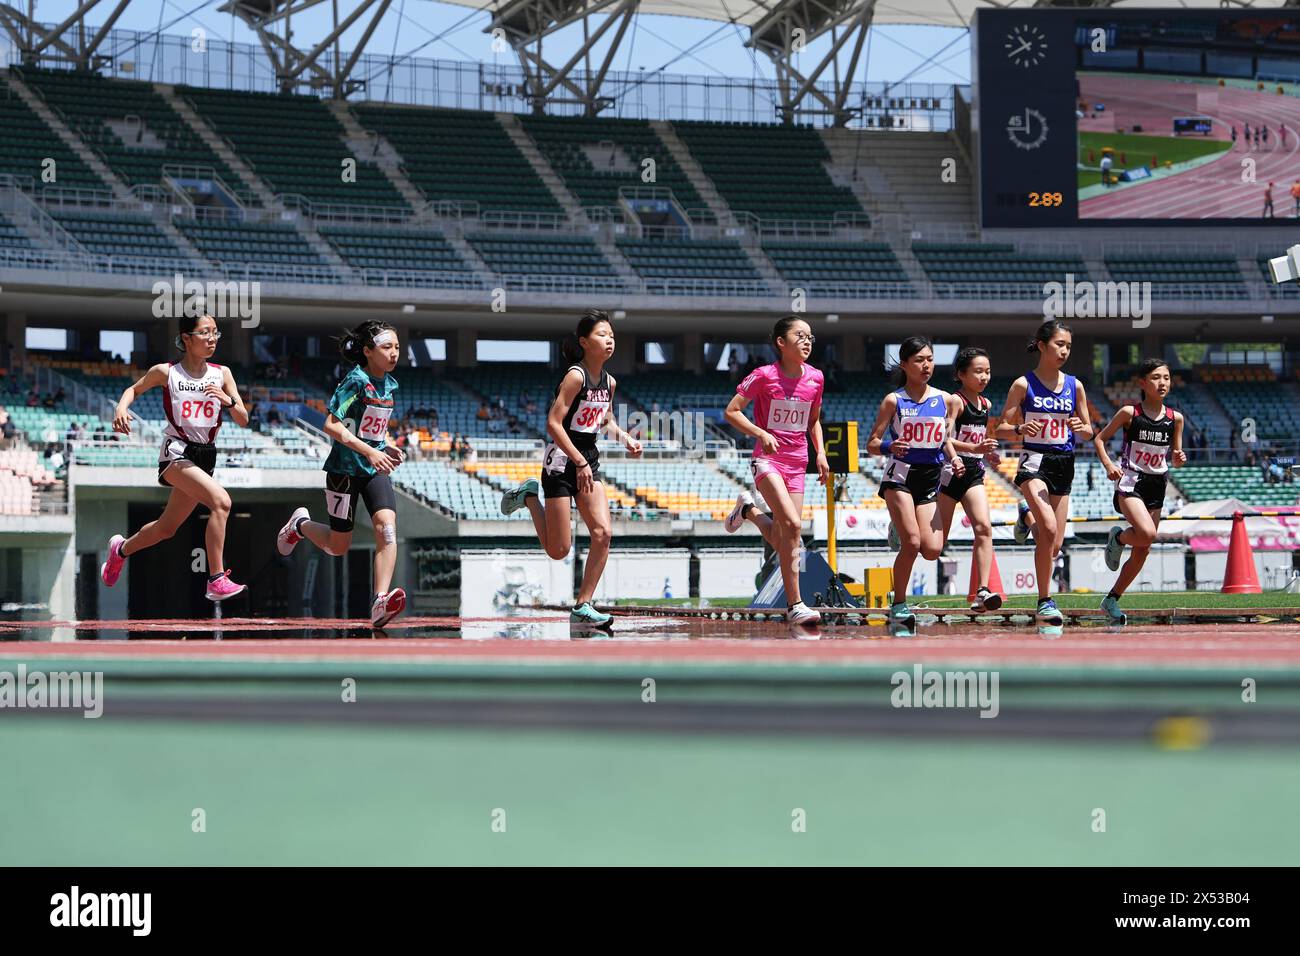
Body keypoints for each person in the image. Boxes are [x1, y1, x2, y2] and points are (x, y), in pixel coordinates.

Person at [499, 309, 643, 628]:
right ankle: (528, 498)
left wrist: (625, 439)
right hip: (562, 462)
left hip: (587, 459)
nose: (609, 340)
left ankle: (583, 605)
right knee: (559, 549)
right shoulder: (575, 376)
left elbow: (605, 421)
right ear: (584, 341)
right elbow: (553, 423)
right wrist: (577, 460)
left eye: (612, 336)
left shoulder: (610, 382)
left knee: (603, 533)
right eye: (602, 335)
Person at [100, 313, 249, 602]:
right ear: (186, 338)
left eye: (216, 333)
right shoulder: (166, 372)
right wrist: (121, 408)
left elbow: (243, 419)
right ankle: (216, 579)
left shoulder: (223, 374)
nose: (212, 339)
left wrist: (227, 399)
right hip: (177, 452)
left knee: (166, 529)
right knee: (222, 502)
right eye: (205, 333)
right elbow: (134, 389)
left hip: (206, 456)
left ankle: (120, 550)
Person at [276, 320, 407, 629]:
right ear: (368, 351)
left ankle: (379, 601)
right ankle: (300, 524)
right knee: (338, 546)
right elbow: (332, 426)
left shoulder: (390, 385)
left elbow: (369, 428)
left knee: (387, 528)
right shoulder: (355, 381)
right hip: (343, 471)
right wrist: (371, 451)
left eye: (398, 348)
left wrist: (385, 446)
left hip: (373, 469)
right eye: (387, 347)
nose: (394, 354)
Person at [720, 316, 829, 627]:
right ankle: (795, 605)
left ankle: (750, 511)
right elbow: (732, 411)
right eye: (800, 336)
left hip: (798, 463)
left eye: (810, 336)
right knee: (794, 526)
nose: (807, 341)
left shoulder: (816, 378)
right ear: (781, 343)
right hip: (767, 460)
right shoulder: (764, 376)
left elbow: (813, 420)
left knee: (784, 536)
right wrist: (760, 433)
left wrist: (819, 453)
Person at [994, 320, 1094, 625]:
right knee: (1048, 530)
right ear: (1041, 345)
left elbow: (1089, 430)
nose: (1064, 350)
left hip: (1064, 462)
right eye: (1058, 344)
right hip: (1034, 460)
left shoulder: (1075, 385)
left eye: (1068, 346)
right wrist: (1020, 428)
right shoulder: (1023, 385)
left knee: (1054, 544)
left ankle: (1026, 516)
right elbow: (1000, 428)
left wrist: (1082, 428)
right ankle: (1045, 601)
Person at [868, 335, 961, 632]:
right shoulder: (893, 401)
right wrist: (888, 448)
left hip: (930, 476)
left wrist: (955, 457)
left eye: (930, 359)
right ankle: (899, 603)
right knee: (912, 543)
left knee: (933, 549)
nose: (926, 365)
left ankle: (899, 524)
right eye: (919, 360)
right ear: (905, 365)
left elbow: (945, 438)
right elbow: (871, 443)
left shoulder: (945, 399)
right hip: (900, 475)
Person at [1095, 359, 1185, 624]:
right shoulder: (1129, 414)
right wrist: (1109, 465)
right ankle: (1119, 538)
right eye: (1156, 378)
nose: (1162, 383)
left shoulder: (1175, 419)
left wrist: (1179, 458)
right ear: (1142, 383)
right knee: (1147, 534)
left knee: (1144, 548)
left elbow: (1176, 458)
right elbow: (1100, 439)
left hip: (1158, 485)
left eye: (1167, 378)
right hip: (1131, 482)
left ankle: (1111, 599)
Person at [935, 347, 1003, 612]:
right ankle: (903, 531)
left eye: (987, 371)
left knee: (984, 528)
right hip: (951, 473)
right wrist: (956, 457)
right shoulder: (956, 401)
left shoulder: (985, 404)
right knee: (935, 546)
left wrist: (991, 455)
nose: (984, 377)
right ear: (961, 375)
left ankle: (982, 591)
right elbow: (944, 438)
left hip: (973, 472)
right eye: (978, 371)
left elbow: (978, 440)